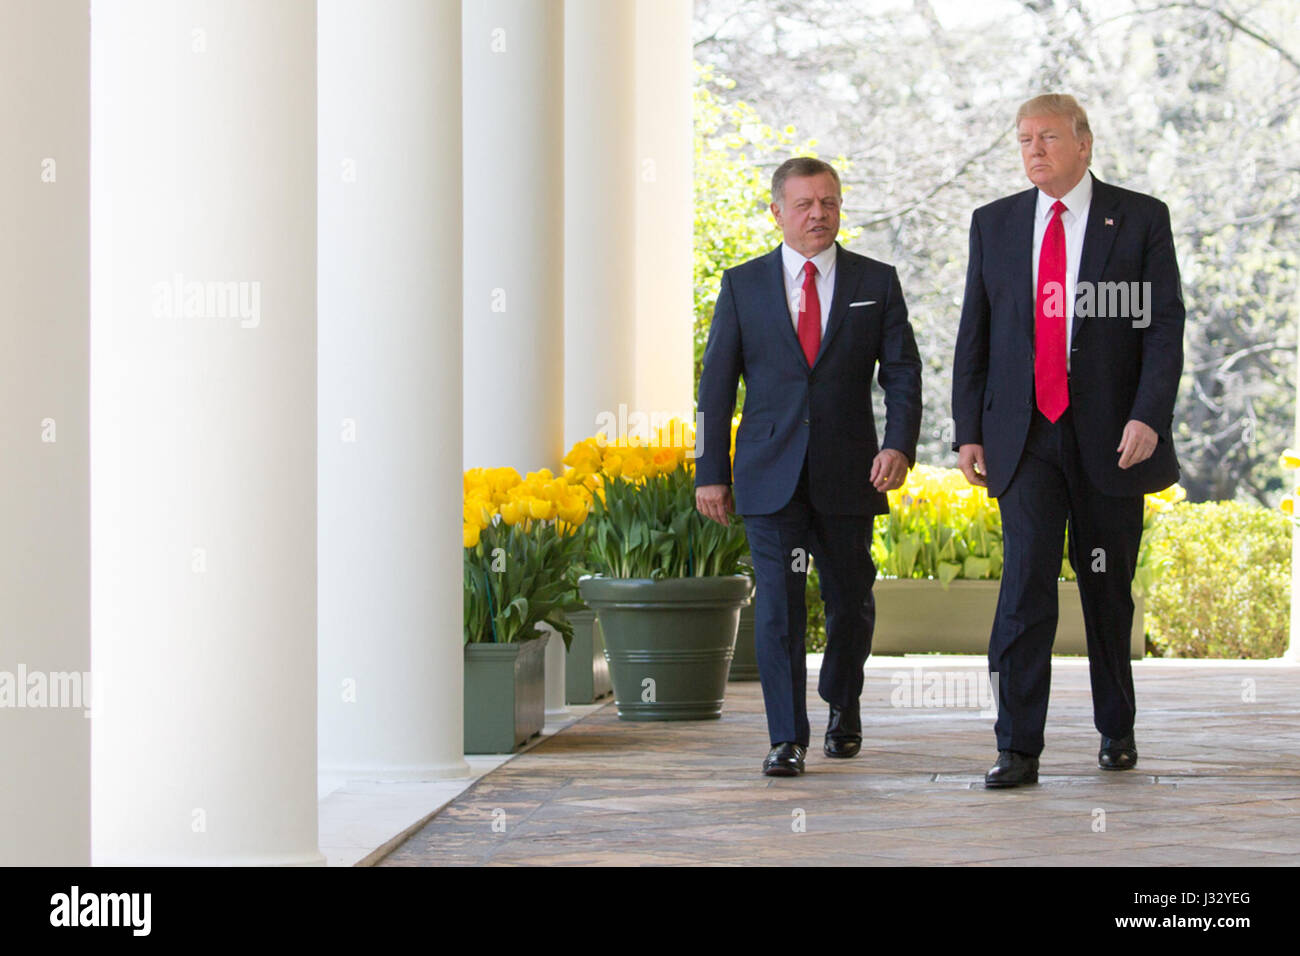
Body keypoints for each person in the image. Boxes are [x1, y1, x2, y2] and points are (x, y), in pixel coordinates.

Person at [951, 94, 1185, 788]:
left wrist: (1149, 415)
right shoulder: (993, 224)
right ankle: (1017, 747)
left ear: (1085, 143)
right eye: (1024, 139)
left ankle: (1116, 727)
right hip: (1022, 439)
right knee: (1024, 588)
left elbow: (1163, 326)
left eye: (1048, 137)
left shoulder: (1139, 218)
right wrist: (968, 430)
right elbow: (977, 333)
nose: (1034, 150)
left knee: (1106, 587)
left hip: (1114, 439)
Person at [695, 157, 922, 776]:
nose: (818, 214)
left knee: (850, 600)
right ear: (777, 213)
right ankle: (786, 737)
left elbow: (901, 371)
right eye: (804, 204)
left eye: (828, 202)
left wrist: (899, 445)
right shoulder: (743, 286)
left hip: (851, 471)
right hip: (769, 475)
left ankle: (842, 704)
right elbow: (717, 387)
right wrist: (711, 471)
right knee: (778, 606)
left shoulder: (876, 280)